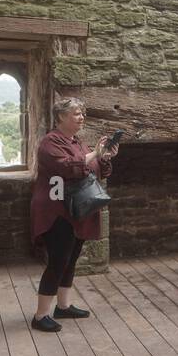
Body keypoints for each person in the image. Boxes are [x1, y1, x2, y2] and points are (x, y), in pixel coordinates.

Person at [30, 98, 118, 333]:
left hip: (76, 208)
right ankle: (40, 315)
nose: (81, 118)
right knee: (58, 261)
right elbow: (68, 167)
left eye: (82, 114)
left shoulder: (77, 141)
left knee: (70, 259)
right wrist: (93, 155)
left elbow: (93, 170)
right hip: (55, 209)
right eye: (76, 114)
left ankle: (63, 306)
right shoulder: (50, 142)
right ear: (61, 117)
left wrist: (104, 157)